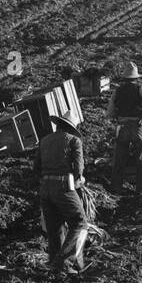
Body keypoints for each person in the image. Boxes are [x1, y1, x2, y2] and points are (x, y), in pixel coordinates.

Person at [33, 112, 89, 273]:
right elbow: (78, 169)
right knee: (79, 223)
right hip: (63, 186)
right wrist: (80, 181)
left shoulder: (44, 141)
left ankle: (53, 263)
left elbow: (36, 168)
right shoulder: (74, 140)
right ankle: (64, 261)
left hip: (45, 188)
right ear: (72, 128)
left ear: (58, 125)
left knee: (54, 227)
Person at [108, 61, 142, 194]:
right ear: (136, 78)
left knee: (119, 157)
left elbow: (110, 112)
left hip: (122, 127)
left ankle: (116, 187)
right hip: (138, 127)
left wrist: (117, 117)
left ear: (124, 78)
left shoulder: (118, 91)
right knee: (141, 158)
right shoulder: (141, 89)